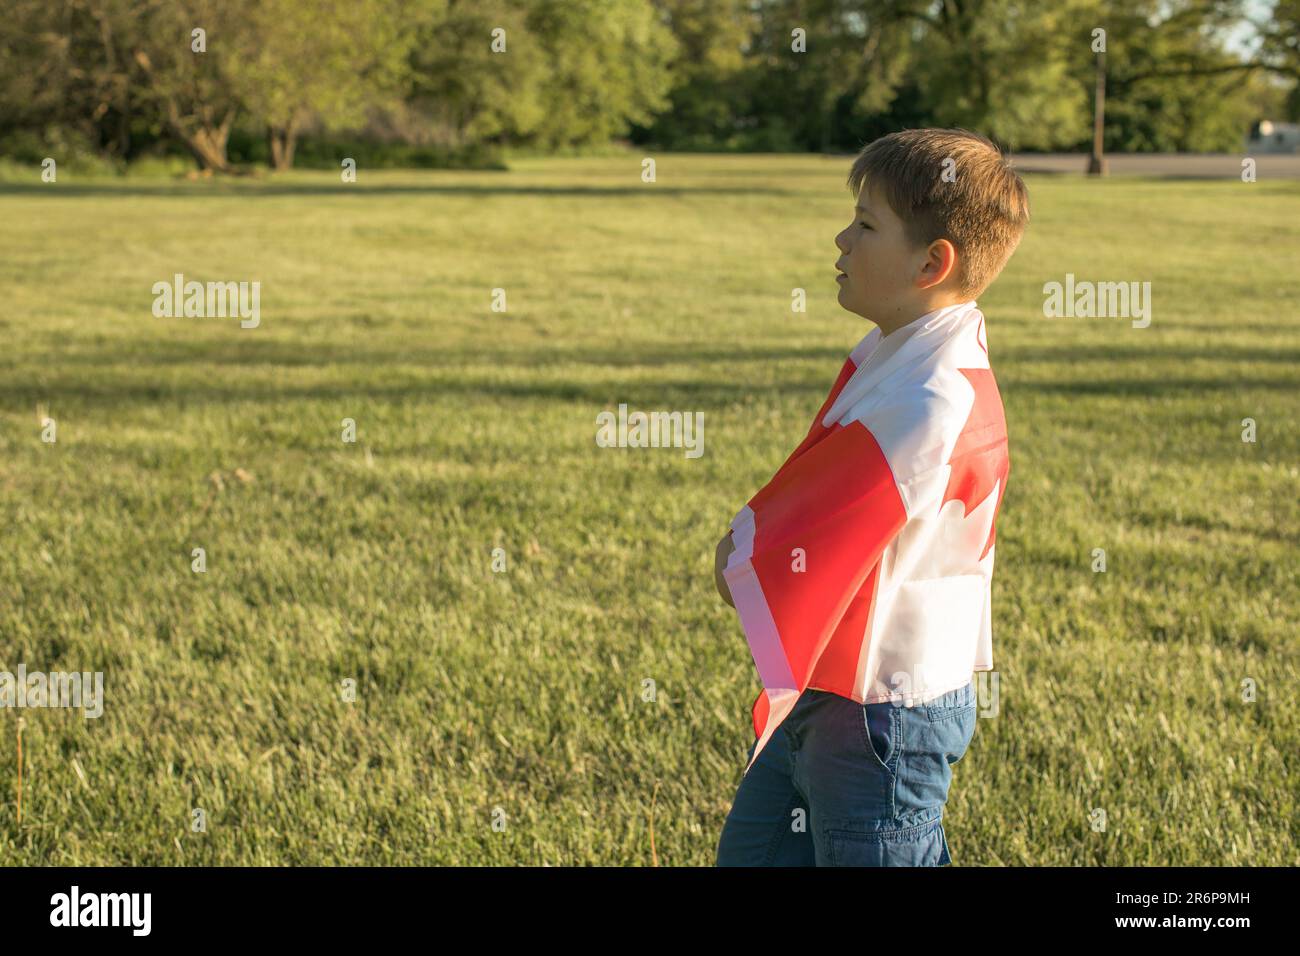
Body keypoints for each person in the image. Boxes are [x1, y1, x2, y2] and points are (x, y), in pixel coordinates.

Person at [714, 128, 1029, 866]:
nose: (841, 239)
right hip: (837, 686)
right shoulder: (920, 351)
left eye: (865, 225)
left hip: (884, 716)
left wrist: (739, 556)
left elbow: (814, 528)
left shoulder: (928, 398)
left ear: (931, 263)